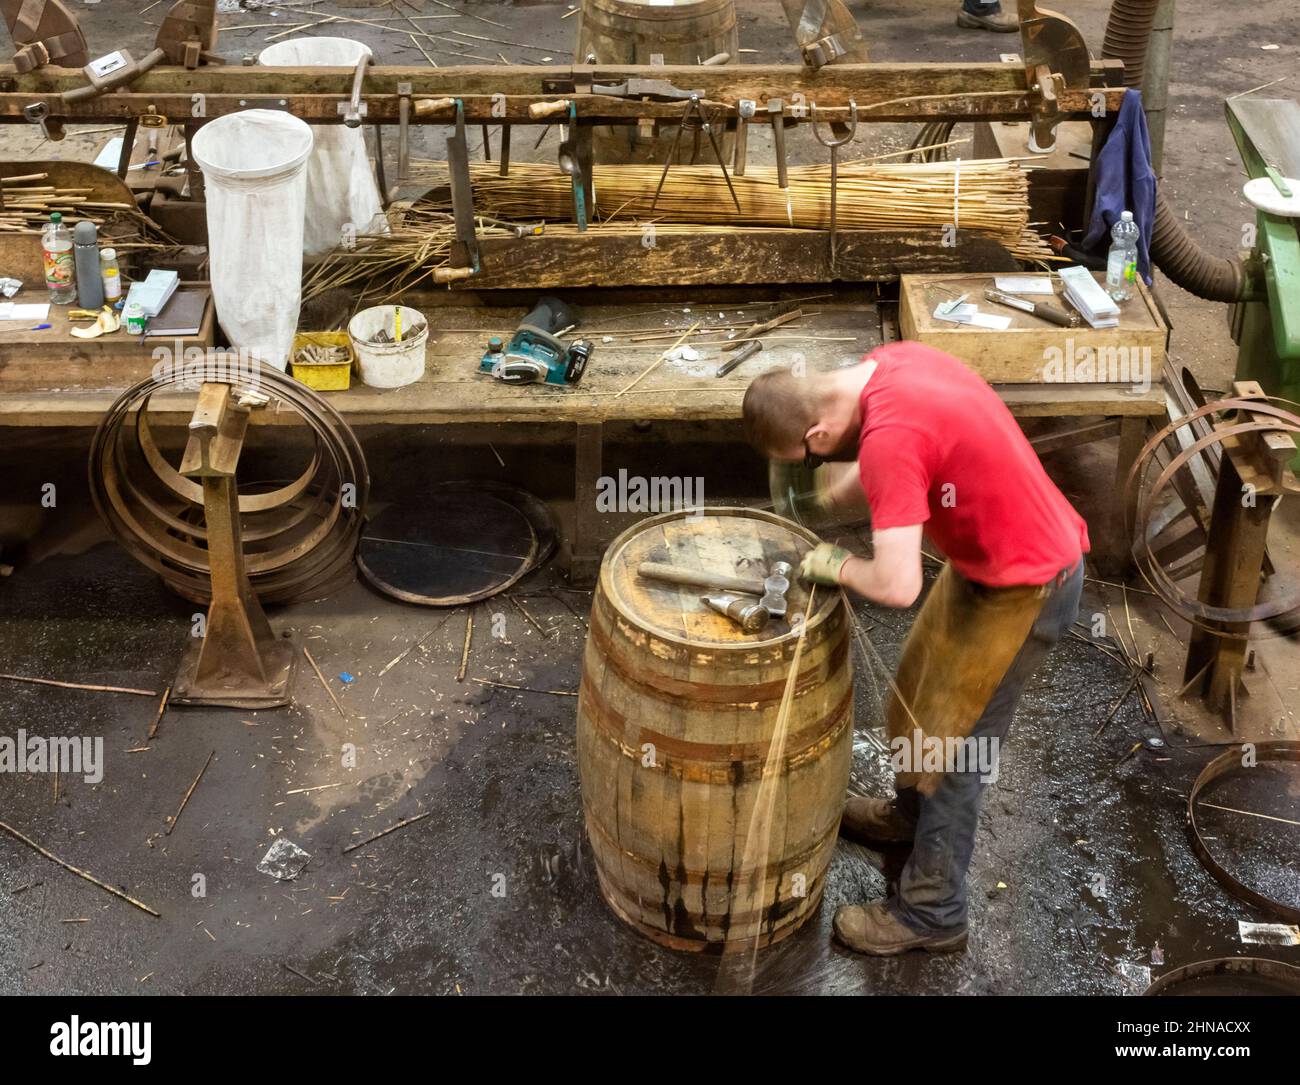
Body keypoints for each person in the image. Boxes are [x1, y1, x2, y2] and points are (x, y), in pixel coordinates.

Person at [742, 342, 1087, 955]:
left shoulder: (887, 440)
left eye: (804, 458)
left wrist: (839, 562)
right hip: (987, 559)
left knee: (958, 754)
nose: (809, 465)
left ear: (819, 431)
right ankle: (908, 814)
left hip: (1031, 584)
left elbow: (897, 586)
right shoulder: (887, 364)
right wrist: (821, 498)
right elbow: (887, 473)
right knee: (918, 694)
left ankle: (934, 913)